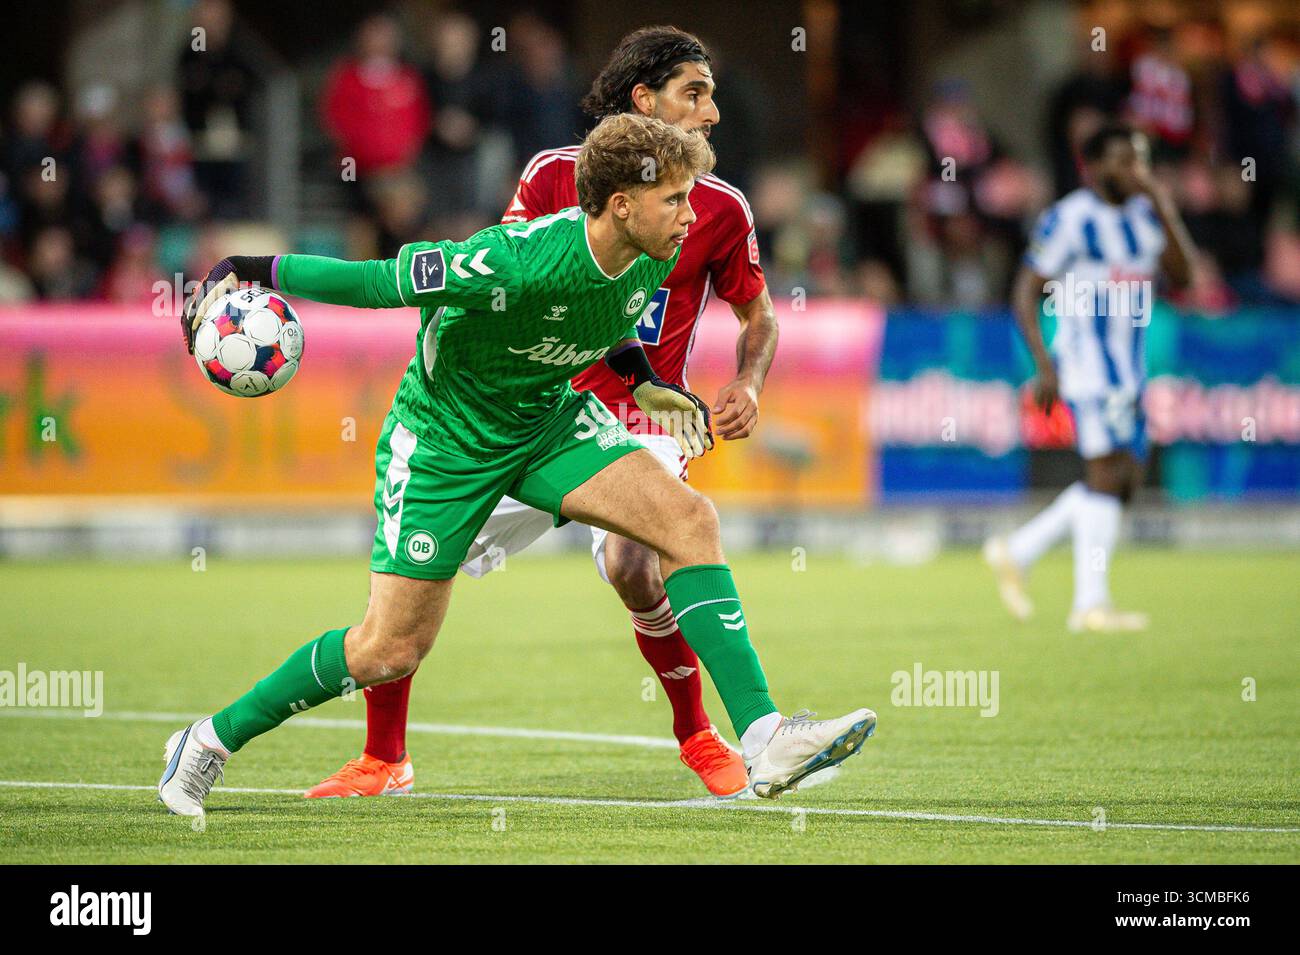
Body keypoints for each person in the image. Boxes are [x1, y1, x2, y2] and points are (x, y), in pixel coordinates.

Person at [158, 112, 875, 819]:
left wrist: (643, 379)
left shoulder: (652, 248)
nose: (692, 215)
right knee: (388, 649)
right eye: (675, 199)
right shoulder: (512, 258)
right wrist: (241, 269)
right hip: (446, 443)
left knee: (688, 520)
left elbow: (606, 314)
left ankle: (764, 738)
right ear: (621, 205)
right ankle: (208, 739)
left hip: (547, 423)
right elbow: (379, 282)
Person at [309, 26, 778, 802]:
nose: (713, 111)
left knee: (641, 558)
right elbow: (505, 279)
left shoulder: (721, 209)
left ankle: (699, 734)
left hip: (641, 413)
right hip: (526, 405)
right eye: (696, 92)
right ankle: (384, 756)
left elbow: (758, 316)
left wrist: (750, 383)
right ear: (645, 100)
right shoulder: (554, 175)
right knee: (417, 579)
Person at [985, 123, 1196, 632]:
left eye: (1140, 160)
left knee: (1125, 482)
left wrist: (1164, 205)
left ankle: (1018, 550)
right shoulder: (1070, 219)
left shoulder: (1147, 217)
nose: (1134, 171)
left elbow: (1186, 278)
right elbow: (1025, 292)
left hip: (1130, 368)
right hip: (1087, 364)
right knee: (1106, 473)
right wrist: (1044, 364)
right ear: (1094, 166)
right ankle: (1089, 605)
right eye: (1124, 160)